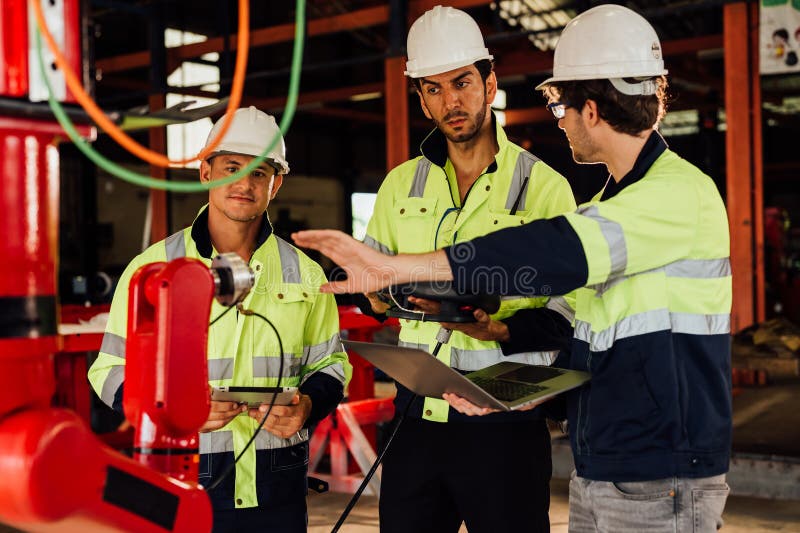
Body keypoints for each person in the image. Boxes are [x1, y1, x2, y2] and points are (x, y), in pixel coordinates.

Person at [294, 5, 732, 532]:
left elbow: (552, 253)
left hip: (655, 466)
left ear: (590, 109)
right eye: (432, 88)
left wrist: (395, 268)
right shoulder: (615, 200)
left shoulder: (672, 196)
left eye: (560, 107)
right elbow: (591, 344)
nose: (560, 119)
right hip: (601, 457)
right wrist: (523, 392)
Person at [359, 6, 576, 533]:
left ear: (490, 81)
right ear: (421, 98)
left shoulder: (543, 187)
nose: (450, 101)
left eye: (461, 83)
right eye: (433, 89)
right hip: (417, 420)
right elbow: (372, 286)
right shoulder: (399, 186)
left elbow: (568, 313)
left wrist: (495, 323)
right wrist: (391, 291)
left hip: (505, 422)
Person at [89, 106, 351, 533]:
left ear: (276, 183)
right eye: (232, 167)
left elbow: (332, 366)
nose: (244, 184)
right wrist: (177, 412)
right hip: (183, 477)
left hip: (277, 485)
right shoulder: (152, 269)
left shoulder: (305, 273)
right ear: (205, 171)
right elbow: (109, 371)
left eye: (259, 173)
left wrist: (306, 405)